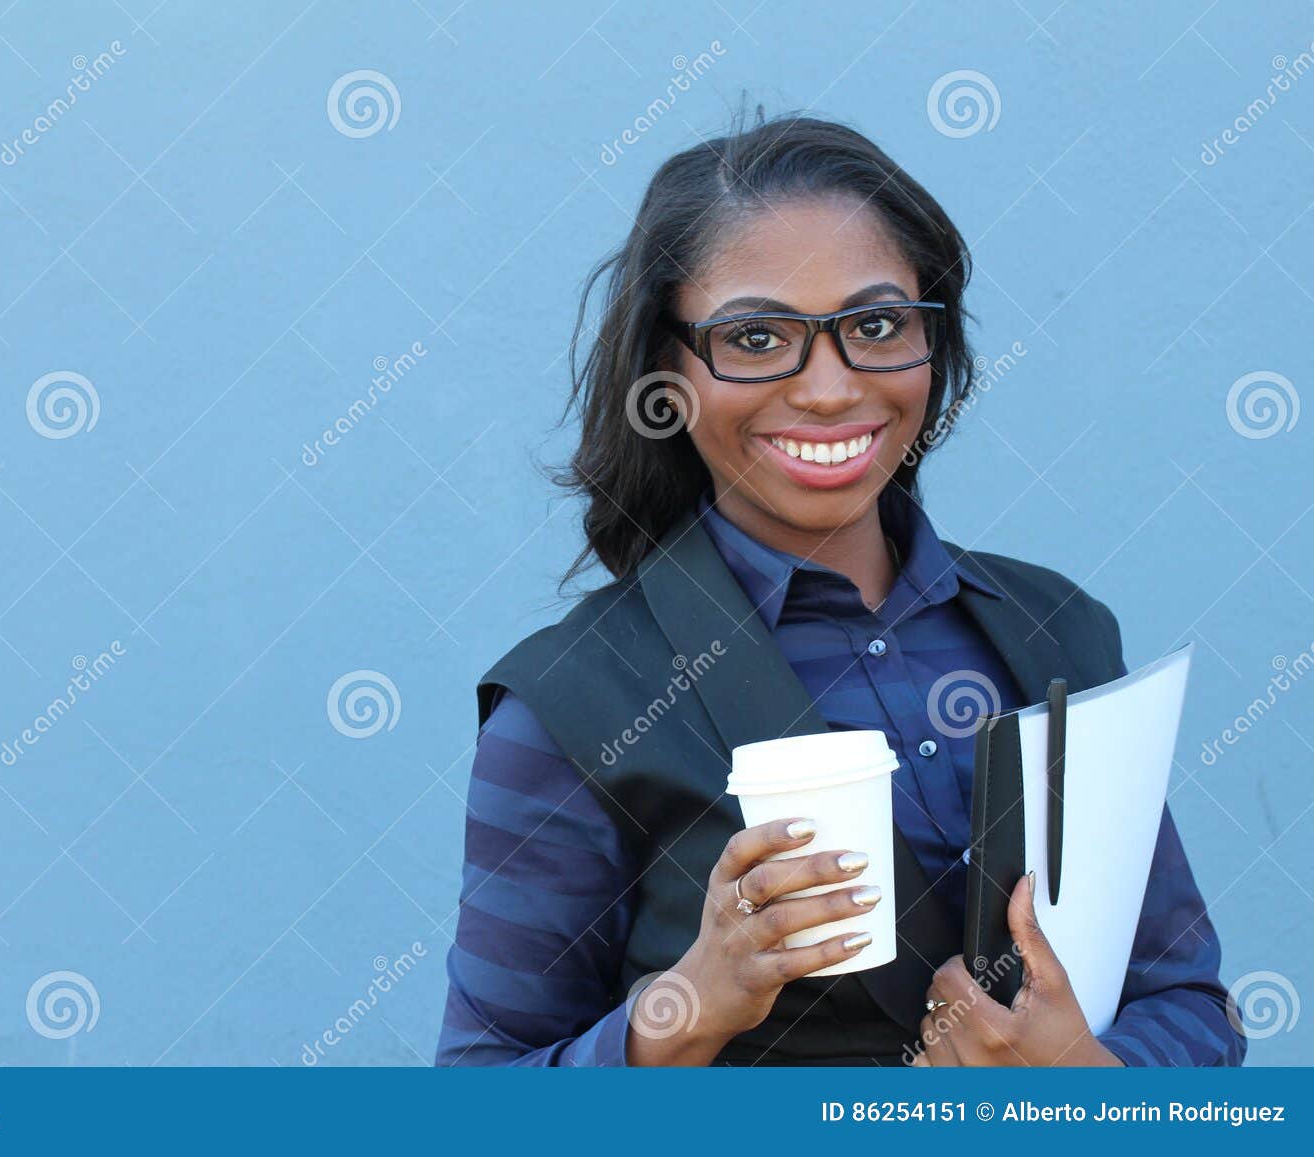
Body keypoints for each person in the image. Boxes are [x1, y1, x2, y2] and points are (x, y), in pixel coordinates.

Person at [434, 111, 1244, 1067]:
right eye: (755, 337)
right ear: (669, 369)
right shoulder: (575, 699)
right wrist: (689, 1006)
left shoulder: (1056, 629)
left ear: (931, 343)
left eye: (874, 325)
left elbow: (1187, 1000)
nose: (827, 390)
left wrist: (1086, 1080)